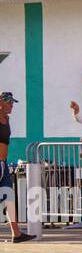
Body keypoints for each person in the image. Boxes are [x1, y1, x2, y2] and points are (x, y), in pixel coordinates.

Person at [0, 91, 33, 243]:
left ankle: (17, 233)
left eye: (13, 102)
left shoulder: (7, 118)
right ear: (1, 102)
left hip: (4, 163)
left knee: (9, 198)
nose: (12, 105)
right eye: (9, 102)